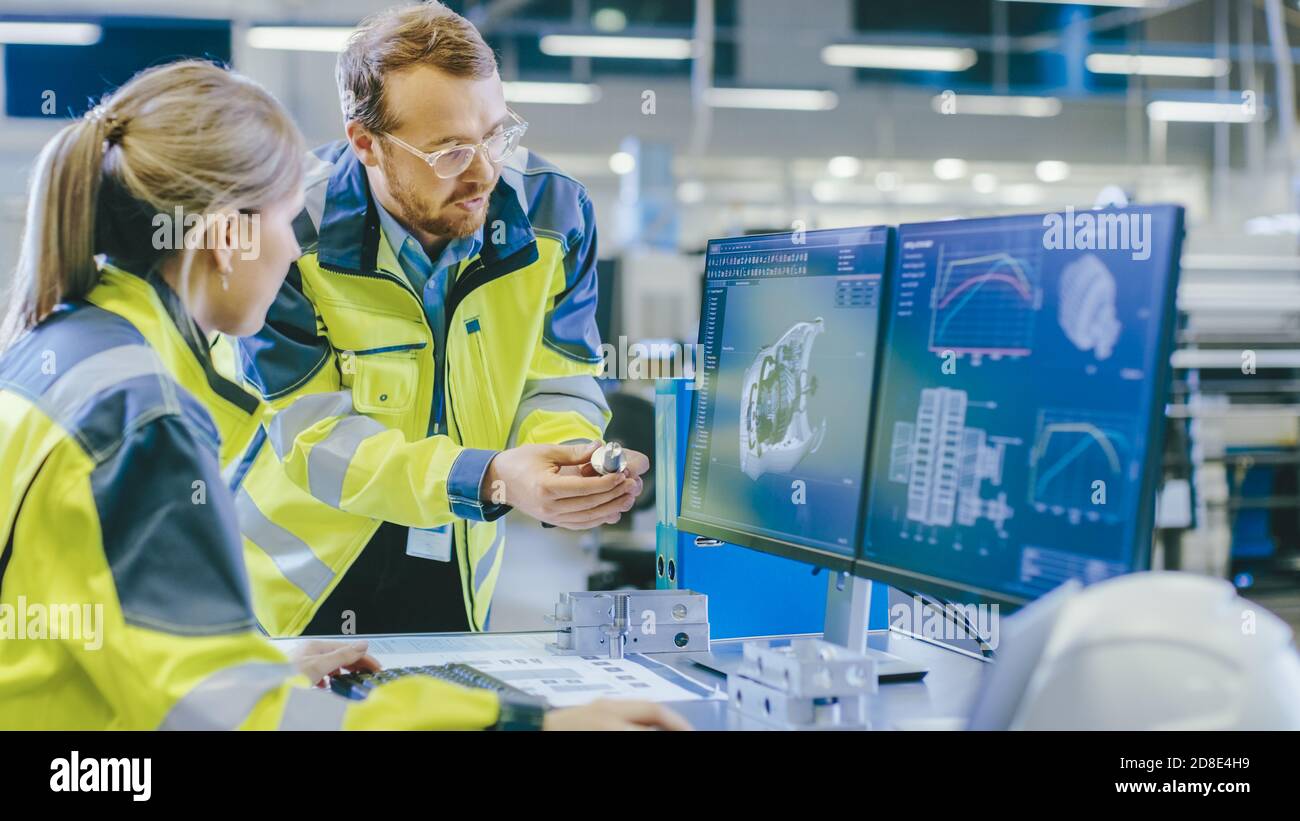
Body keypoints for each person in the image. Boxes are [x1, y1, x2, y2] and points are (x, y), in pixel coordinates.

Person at [0, 59, 687, 732]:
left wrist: (251, 663)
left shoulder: (66, 351)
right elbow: (242, 722)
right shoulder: (147, 415)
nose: (291, 251)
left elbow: (113, 639)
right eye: (283, 220)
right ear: (226, 239)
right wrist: (526, 727)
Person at [229, 2, 646, 637]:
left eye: (496, 135)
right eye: (450, 151)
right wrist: (486, 477)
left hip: (455, 559)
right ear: (366, 143)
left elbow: (557, 379)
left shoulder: (556, 213)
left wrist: (569, 461)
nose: (484, 172)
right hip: (294, 586)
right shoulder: (285, 228)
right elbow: (312, 437)